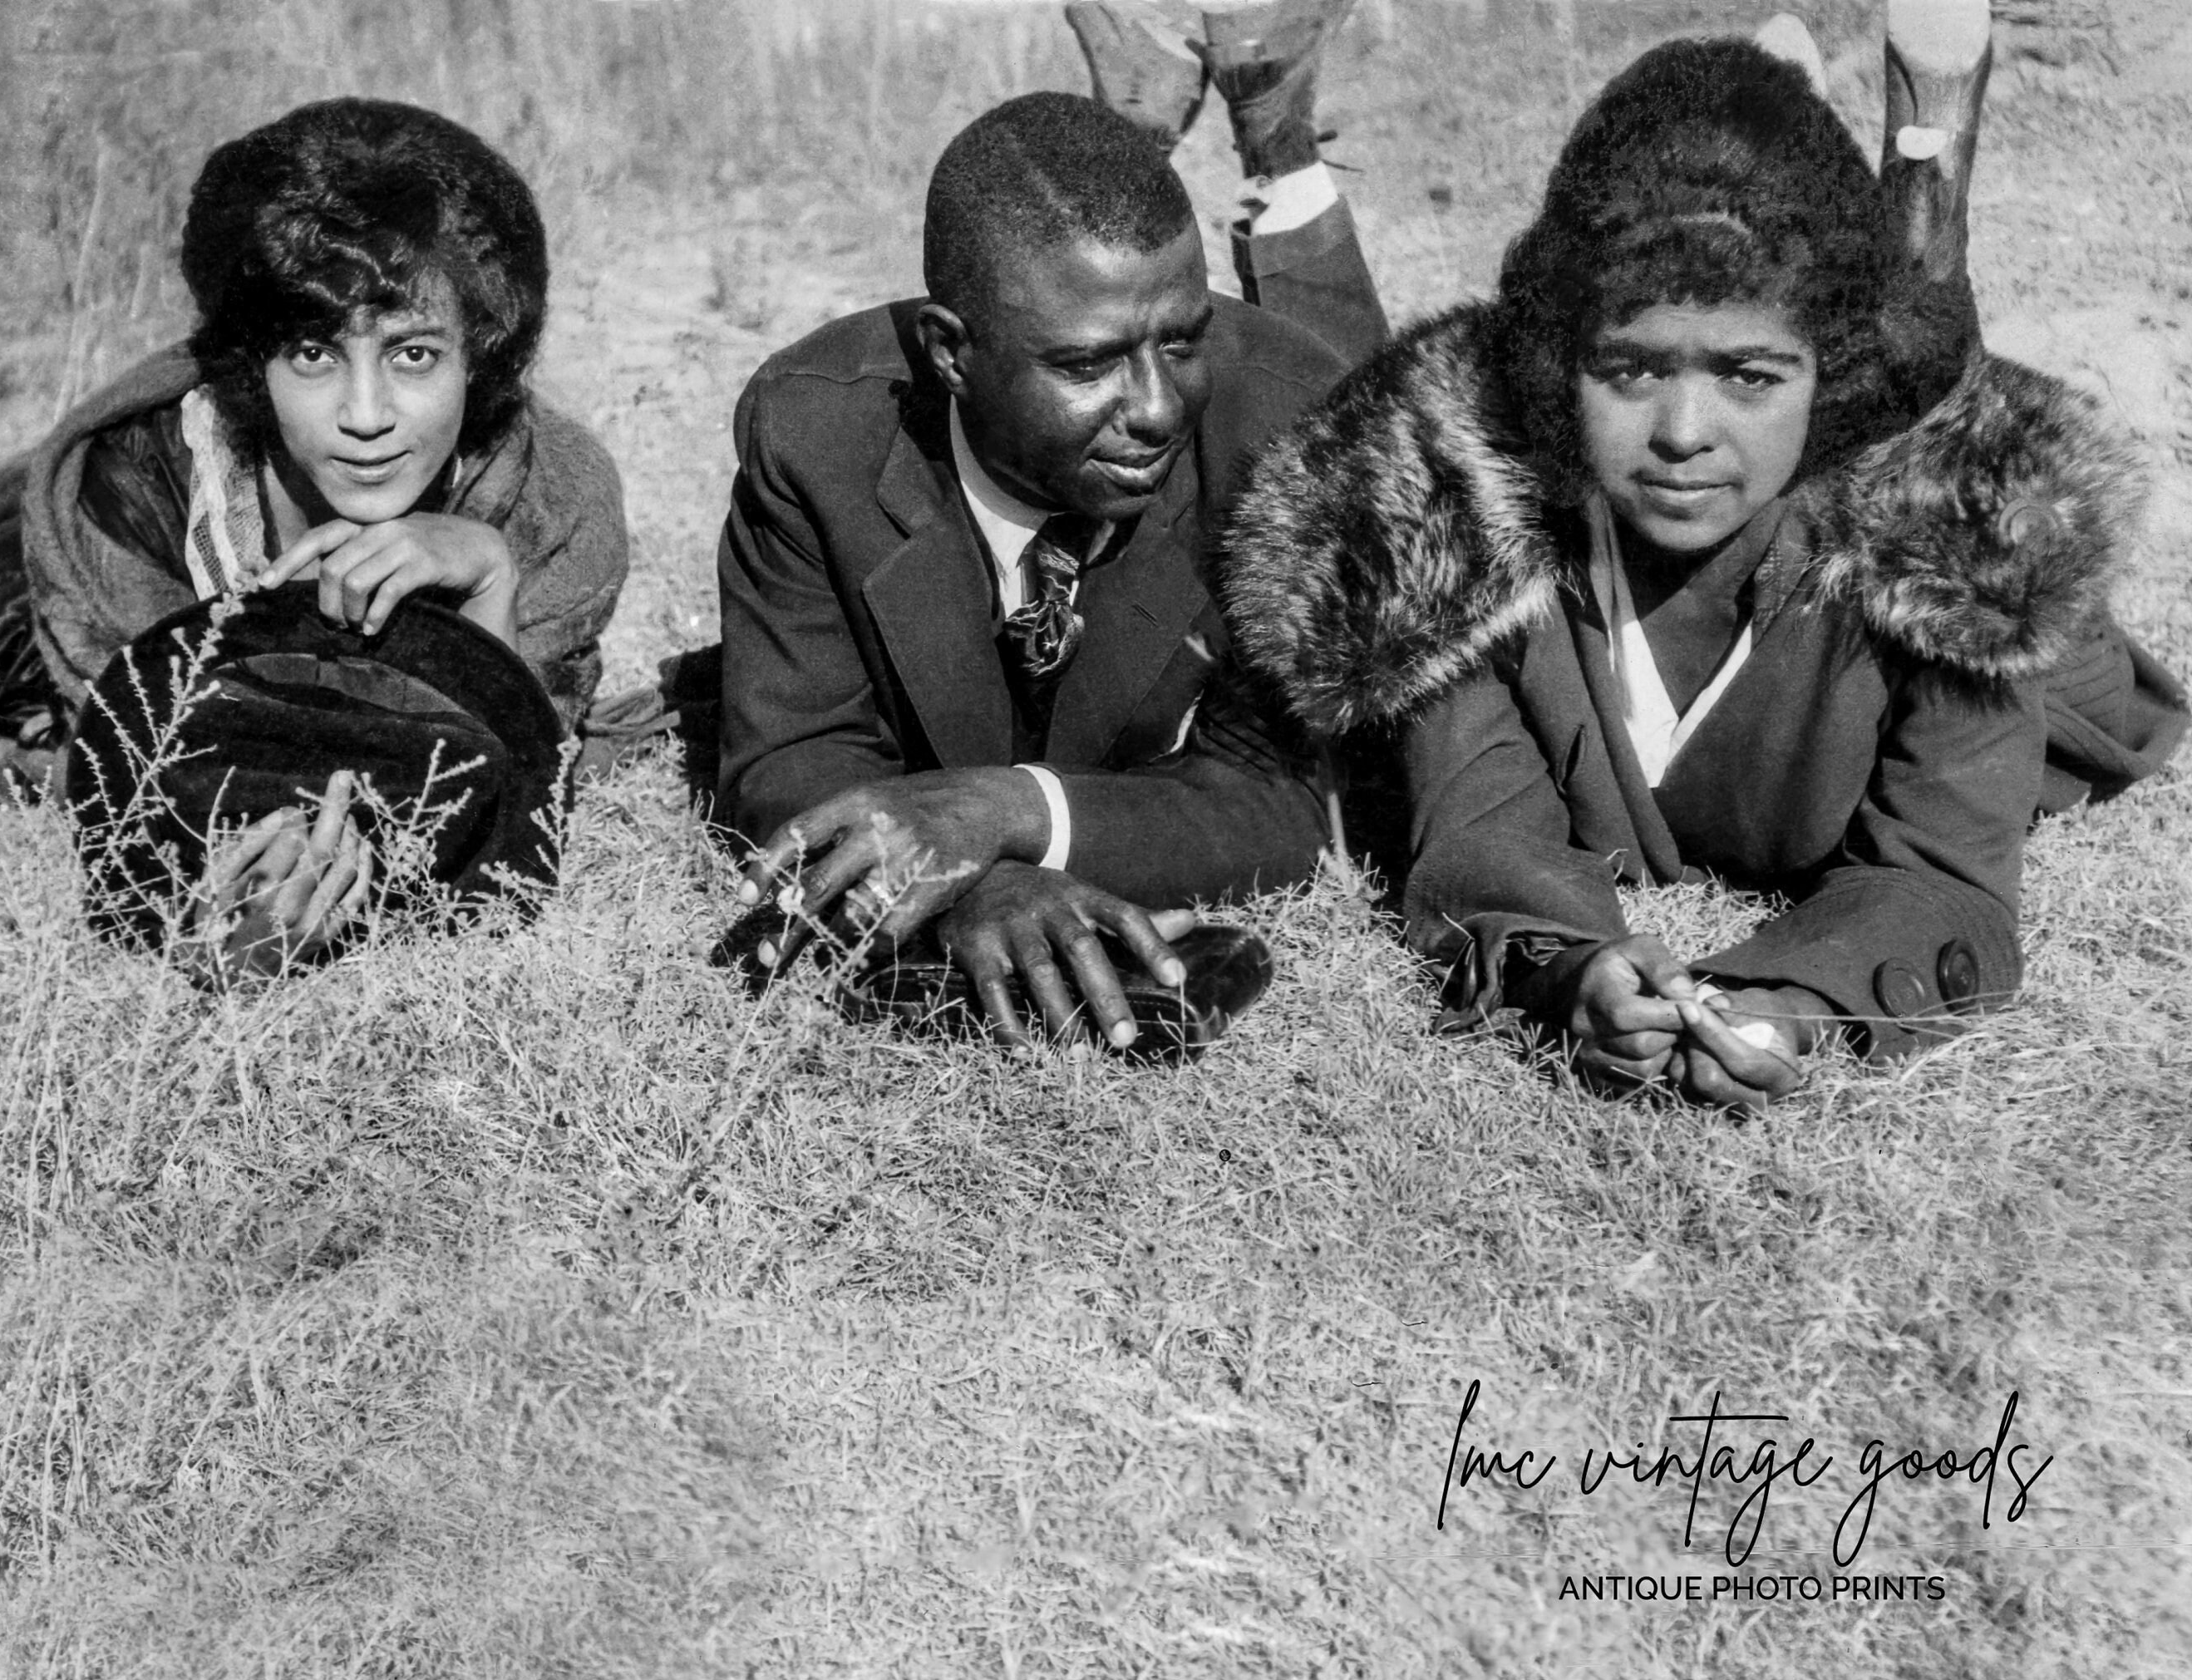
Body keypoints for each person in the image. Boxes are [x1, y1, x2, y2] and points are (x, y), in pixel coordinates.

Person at [1220, 21, 2185, 1109]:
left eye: (1748, 375)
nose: (1684, 431)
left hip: (1960, 591)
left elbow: (1947, 876)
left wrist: (1799, 1004)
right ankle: (1283, 164)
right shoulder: (1467, 521)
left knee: (1976, 448)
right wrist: (1570, 970)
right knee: (1354, 412)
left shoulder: (1961, 533)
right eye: (1628, 369)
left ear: (1826, 375)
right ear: (1557, 362)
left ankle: (1924, 180)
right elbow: (1483, 825)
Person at [0, 98, 629, 976]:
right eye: (313, 354)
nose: (366, 417)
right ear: (255, 364)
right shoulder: (136, 485)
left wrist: (488, 581)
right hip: (102, 522)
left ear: (482, 354)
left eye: (414, 355)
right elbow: (145, 764)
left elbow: (522, 789)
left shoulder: (556, 499)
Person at [717, 0, 1390, 1052]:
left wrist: (1005, 813)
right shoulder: (816, 435)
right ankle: (1156, 115)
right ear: (949, 353)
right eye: (1086, 366)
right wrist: (972, 888)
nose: (1160, 407)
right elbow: (793, 755)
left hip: (1343, 420)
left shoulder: (1283, 438)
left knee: (1378, 408)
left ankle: (1275, 130)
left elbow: (1280, 796)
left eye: (1183, 340)